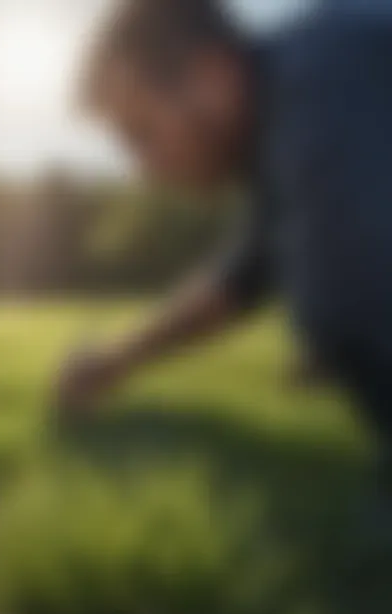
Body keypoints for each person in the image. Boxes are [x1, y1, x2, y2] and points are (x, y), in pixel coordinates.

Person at [56, 0, 392, 469]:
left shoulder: (322, 78)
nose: (144, 171)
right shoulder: (293, 108)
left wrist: (335, 332)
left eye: (142, 133)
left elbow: (349, 296)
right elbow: (243, 275)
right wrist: (116, 361)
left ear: (213, 76)